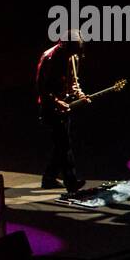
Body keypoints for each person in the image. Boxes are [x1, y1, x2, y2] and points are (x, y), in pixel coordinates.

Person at [35, 29, 88, 194]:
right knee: (64, 145)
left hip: (63, 105)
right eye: (74, 49)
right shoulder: (50, 58)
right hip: (50, 107)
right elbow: (41, 88)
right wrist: (57, 102)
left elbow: (73, 80)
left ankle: (49, 178)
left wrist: (80, 94)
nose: (76, 53)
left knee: (61, 144)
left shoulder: (72, 56)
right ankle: (71, 183)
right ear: (65, 45)